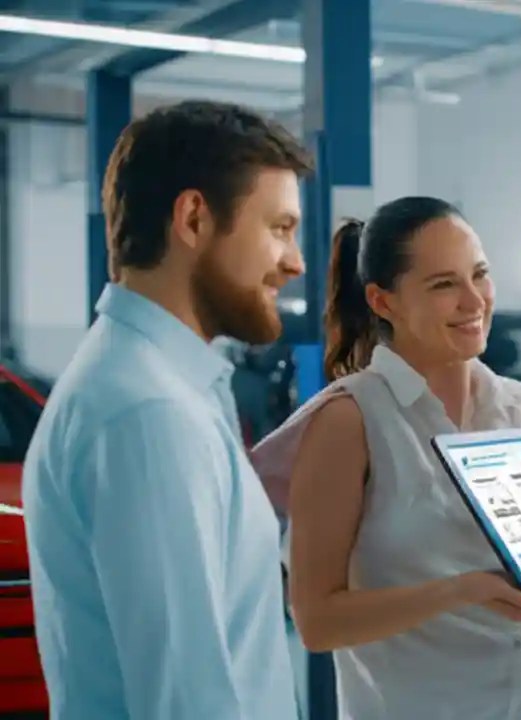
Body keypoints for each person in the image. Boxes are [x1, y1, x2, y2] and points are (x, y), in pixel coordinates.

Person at [21, 100, 313, 719]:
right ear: (194, 218)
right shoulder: (148, 412)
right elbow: (190, 699)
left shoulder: (156, 384)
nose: (295, 262)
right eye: (280, 228)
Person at [249, 197, 521, 720]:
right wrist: (461, 591)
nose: (473, 300)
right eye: (443, 285)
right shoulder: (349, 421)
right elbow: (316, 622)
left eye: (480, 275)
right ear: (383, 302)